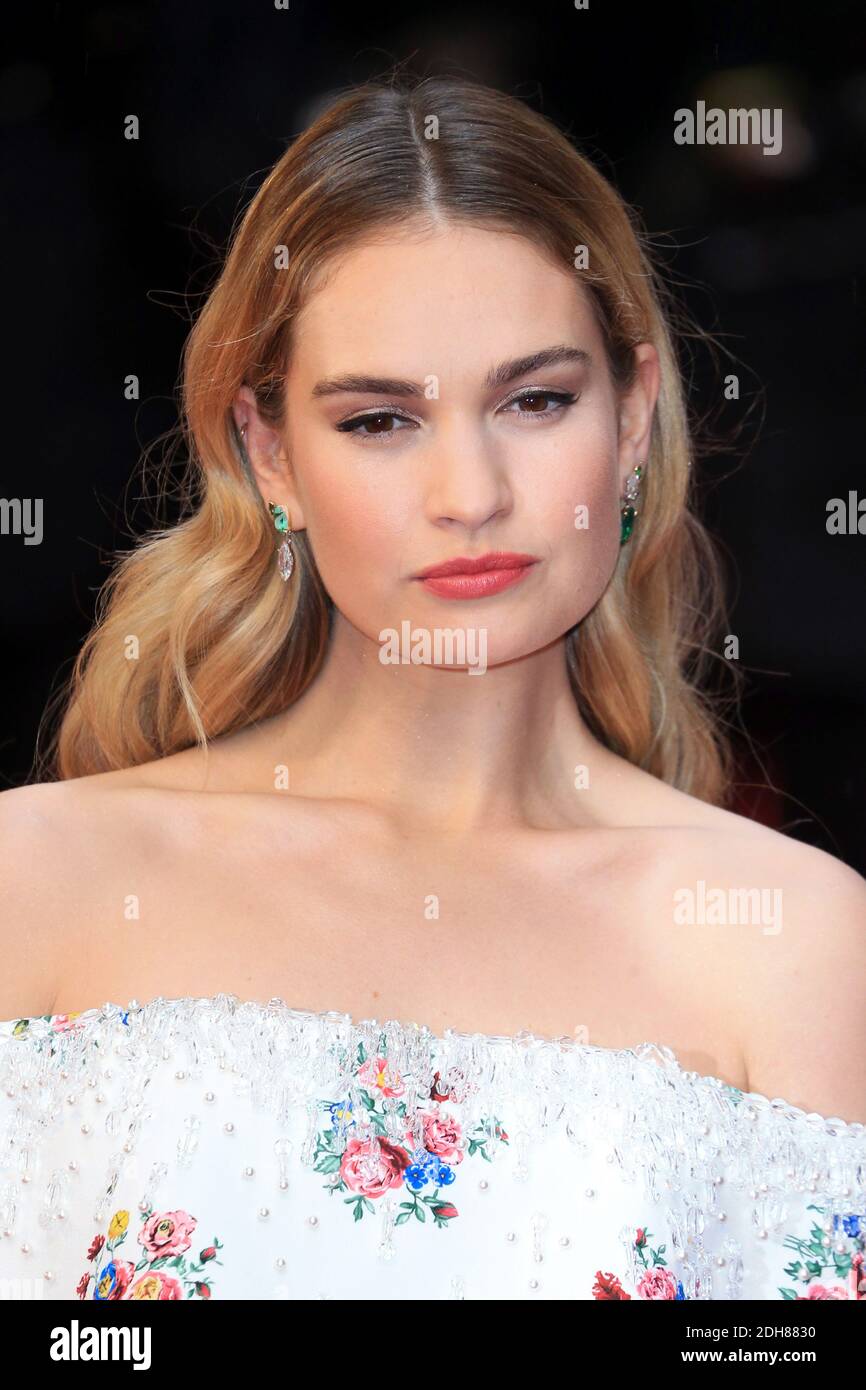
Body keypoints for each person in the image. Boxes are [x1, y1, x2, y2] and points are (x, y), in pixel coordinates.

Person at [1, 75, 863, 1303]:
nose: (469, 494)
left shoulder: (796, 939)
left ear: (630, 419)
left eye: (535, 400)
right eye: (378, 420)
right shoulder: (39, 880)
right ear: (267, 452)